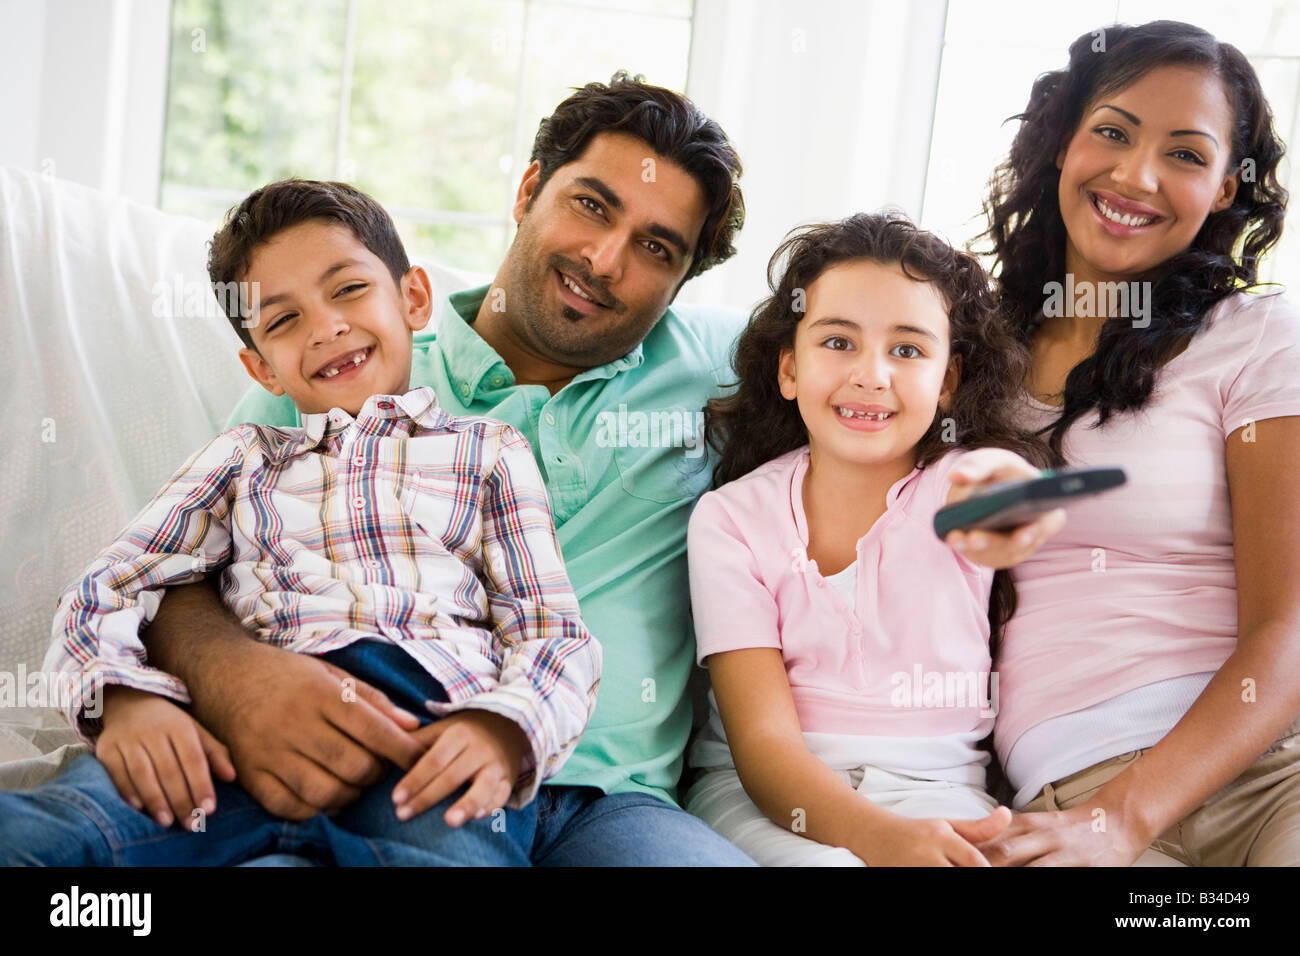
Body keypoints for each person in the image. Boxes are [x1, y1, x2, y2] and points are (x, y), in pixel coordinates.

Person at [128, 74, 756, 865]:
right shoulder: (348, 364)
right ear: (530, 188)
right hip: (385, 769)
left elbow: (894, 333)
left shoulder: (724, 370)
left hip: (607, 803)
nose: (604, 259)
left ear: (682, 281)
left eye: (656, 248)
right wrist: (240, 679)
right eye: (591, 205)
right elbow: (173, 571)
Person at [0, 180, 604, 865]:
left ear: (413, 299)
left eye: (348, 290)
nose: (325, 327)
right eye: (284, 321)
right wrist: (124, 700)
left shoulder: (488, 453)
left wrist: (506, 729)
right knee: (45, 836)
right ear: (262, 367)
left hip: (427, 734)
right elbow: (108, 586)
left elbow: (552, 629)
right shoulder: (243, 457)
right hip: (233, 742)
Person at [972, 20, 1300, 866]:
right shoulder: (966, 354)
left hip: (1269, 776)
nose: (1136, 176)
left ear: (1228, 187)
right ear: (1062, 143)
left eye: (1187, 155)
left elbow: (1290, 623)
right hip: (1064, 797)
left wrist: (1126, 816)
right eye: (1113, 132)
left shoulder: (1258, 335)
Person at [682, 213, 1066, 865]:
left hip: (939, 794)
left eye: (908, 350)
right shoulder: (730, 520)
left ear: (946, 384)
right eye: (838, 342)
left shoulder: (956, 489)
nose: (872, 374)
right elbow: (764, 747)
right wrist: (877, 838)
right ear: (789, 369)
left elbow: (1005, 490)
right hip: (762, 797)